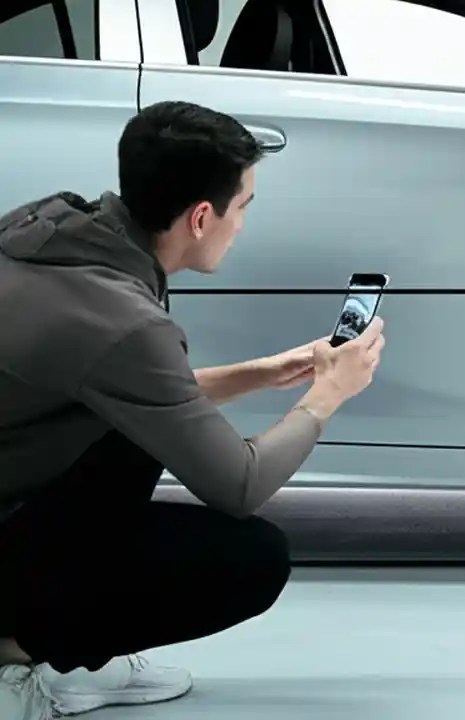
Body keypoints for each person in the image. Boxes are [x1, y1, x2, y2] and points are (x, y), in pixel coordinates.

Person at [0, 101, 386, 718]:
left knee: (136, 434)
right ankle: (16, 655)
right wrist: (329, 394)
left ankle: (70, 643)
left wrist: (261, 375)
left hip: (17, 480)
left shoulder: (63, 233)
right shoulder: (122, 320)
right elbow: (239, 485)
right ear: (202, 217)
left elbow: (127, 386)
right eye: (243, 209)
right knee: (252, 559)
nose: (243, 225)